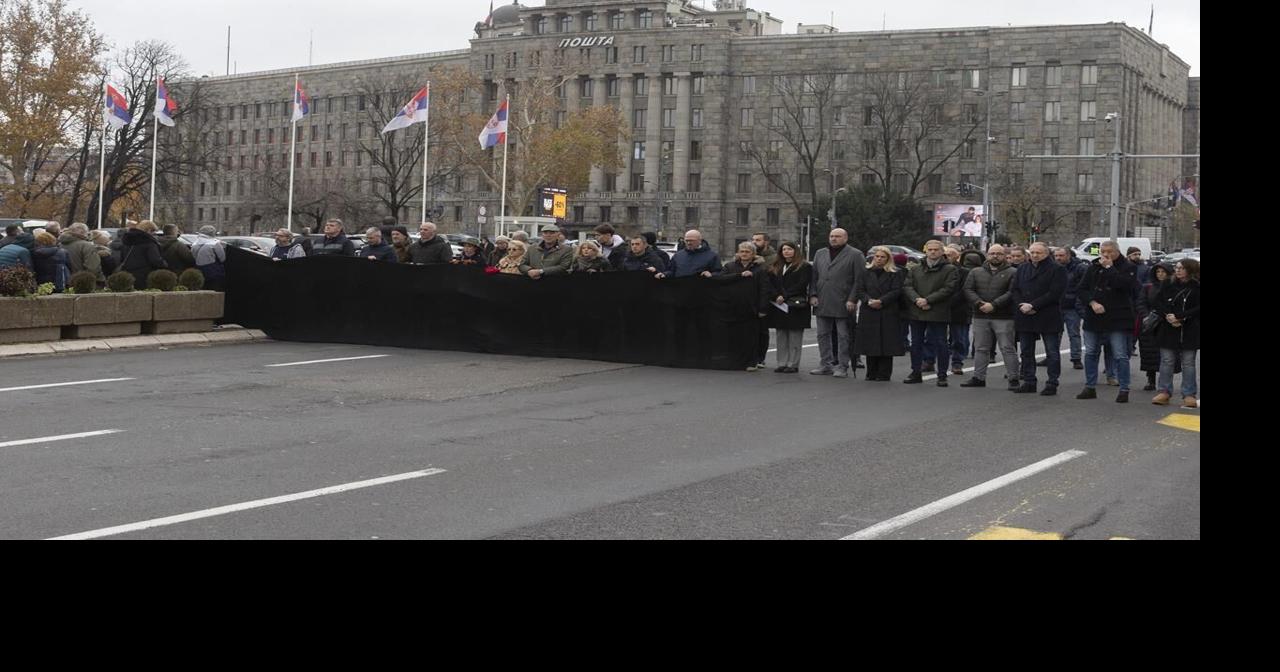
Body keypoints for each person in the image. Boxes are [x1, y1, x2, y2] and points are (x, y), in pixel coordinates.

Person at [1075, 240, 1138, 403]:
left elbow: (1124, 286)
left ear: (1117, 251)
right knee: (1090, 352)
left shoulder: (1128, 267)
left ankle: (1124, 388)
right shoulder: (1093, 267)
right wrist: (1092, 302)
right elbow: (1081, 289)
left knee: (1119, 354)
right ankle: (1090, 386)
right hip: (1094, 316)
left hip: (1117, 317)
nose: (1105, 255)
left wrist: (1110, 268)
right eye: (1103, 251)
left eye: (1109, 251)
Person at [1010, 242, 1067, 395]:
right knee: (1026, 351)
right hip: (1025, 315)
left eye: (1039, 253)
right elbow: (1014, 289)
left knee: (1052, 352)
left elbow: (1055, 293)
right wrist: (1022, 305)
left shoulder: (1057, 269)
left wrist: (1033, 305)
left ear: (1047, 253)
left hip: (1047, 314)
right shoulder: (1023, 268)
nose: (1035, 255)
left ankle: (1052, 383)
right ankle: (1029, 381)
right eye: (1033, 252)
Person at [960, 244, 1019, 389]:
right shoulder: (975, 272)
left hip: (1004, 316)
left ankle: (1013, 378)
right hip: (980, 315)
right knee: (981, 348)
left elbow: (1012, 292)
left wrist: (994, 304)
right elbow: (968, 289)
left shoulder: (1013, 272)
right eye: (992, 253)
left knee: (1007, 348)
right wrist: (979, 303)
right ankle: (978, 378)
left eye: (999, 253)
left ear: (1004, 255)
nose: (995, 256)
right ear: (987, 255)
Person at [808, 228, 864, 378]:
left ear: (845, 238)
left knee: (843, 336)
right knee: (822, 334)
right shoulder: (820, 253)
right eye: (831, 236)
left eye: (837, 236)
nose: (833, 239)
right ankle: (825, 364)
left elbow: (859, 280)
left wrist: (853, 299)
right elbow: (814, 277)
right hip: (822, 300)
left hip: (844, 301)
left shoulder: (855, 254)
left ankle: (842, 365)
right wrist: (812, 294)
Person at [903, 240, 959, 386]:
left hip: (938, 311)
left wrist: (928, 300)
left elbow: (948, 289)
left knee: (941, 343)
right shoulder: (915, 269)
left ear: (942, 252)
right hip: (917, 310)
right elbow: (908, 286)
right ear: (925, 251)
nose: (933, 252)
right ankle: (916, 372)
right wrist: (917, 300)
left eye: (936, 250)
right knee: (916, 344)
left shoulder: (950, 269)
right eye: (930, 250)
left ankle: (942, 375)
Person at [852, 246, 905, 381]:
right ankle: (871, 372)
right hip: (869, 310)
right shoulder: (865, 272)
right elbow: (859, 289)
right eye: (877, 256)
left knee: (886, 343)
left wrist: (881, 301)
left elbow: (896, 290)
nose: (879, 259)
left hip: (887, 310)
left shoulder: (895, 273)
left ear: (888, 259)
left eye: (883, 257)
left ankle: (884, 373)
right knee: (870, 342)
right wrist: (868, 300)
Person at [1152, 259, 1200, 408]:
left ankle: (1189, 394)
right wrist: (1168, 315)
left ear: (1190, 270)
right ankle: (1164, 391)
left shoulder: (1197, 287)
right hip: (1168, 327)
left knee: (1188, 362)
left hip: (1189, 329)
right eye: (1177, 268)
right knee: (1167, 361)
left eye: (1182, 268)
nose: (1178, 270)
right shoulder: (1167, 284)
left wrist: (1181, 317)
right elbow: (1157, 302)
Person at [719, 242, 772, 371]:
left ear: (753, 254)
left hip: (751, 308)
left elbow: (765, 289)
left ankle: (751, 362)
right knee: (733, 336)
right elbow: (721, 280)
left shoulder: (760, 269)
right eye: (742, 251)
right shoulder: (729, 266)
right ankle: (734, 361)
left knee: (751, 337)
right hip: (733, 307)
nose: (744, 254)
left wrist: (762, 308)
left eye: (747, 252)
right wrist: (739, 275)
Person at [767, 241, 812, 374]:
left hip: (795, 304)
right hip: (779, 305)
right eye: (784, 249)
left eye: (789, 249)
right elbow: (770, 283)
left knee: (794, 336)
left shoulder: (804, 266)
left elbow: (802, 284)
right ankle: (781, 363)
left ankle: (793, 364)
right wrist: (776, 296)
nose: (786, 251)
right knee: (781, 335)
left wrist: (784, 296)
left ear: (795, 251)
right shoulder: (776, 266)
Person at [1136, 262, 1174, 391]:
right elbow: (1141, 303)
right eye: (1158, 272)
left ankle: (1165, 382)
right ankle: (1150, 379)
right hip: (1150, 324)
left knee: (1167, 355)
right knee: (1149, 354)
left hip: (1167, 323)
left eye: (1163, 272)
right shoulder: (1148, 287)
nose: (1160, 274)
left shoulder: (1173, 287)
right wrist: (1146, 316)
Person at [1055, 246, 1087, 370]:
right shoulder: (1054, 268)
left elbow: (1083, 286)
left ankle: (1076, 358)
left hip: (1072, 306)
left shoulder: (1079, 268)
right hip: (1057, 305)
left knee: (1073, 333)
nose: (1058, 258)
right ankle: (1052, 356)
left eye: (1061, 256)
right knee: (1054, 333)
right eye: (1056, 256)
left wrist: (1077, 301)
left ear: (1069, 255)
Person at [120, 220, 169, 289]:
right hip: (144, 275)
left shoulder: (127, 240)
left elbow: (122, 258)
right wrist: (164, 264)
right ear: (148, 230)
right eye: (153, 231)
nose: (154, 234)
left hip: (128, 274)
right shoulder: (149, 243)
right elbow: (155, 260)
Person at [191, 225, 227, 290]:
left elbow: (193, 257)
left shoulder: (194, 244)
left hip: (199, 271)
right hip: (214, 272)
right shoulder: (215, 243)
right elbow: (222, 258)